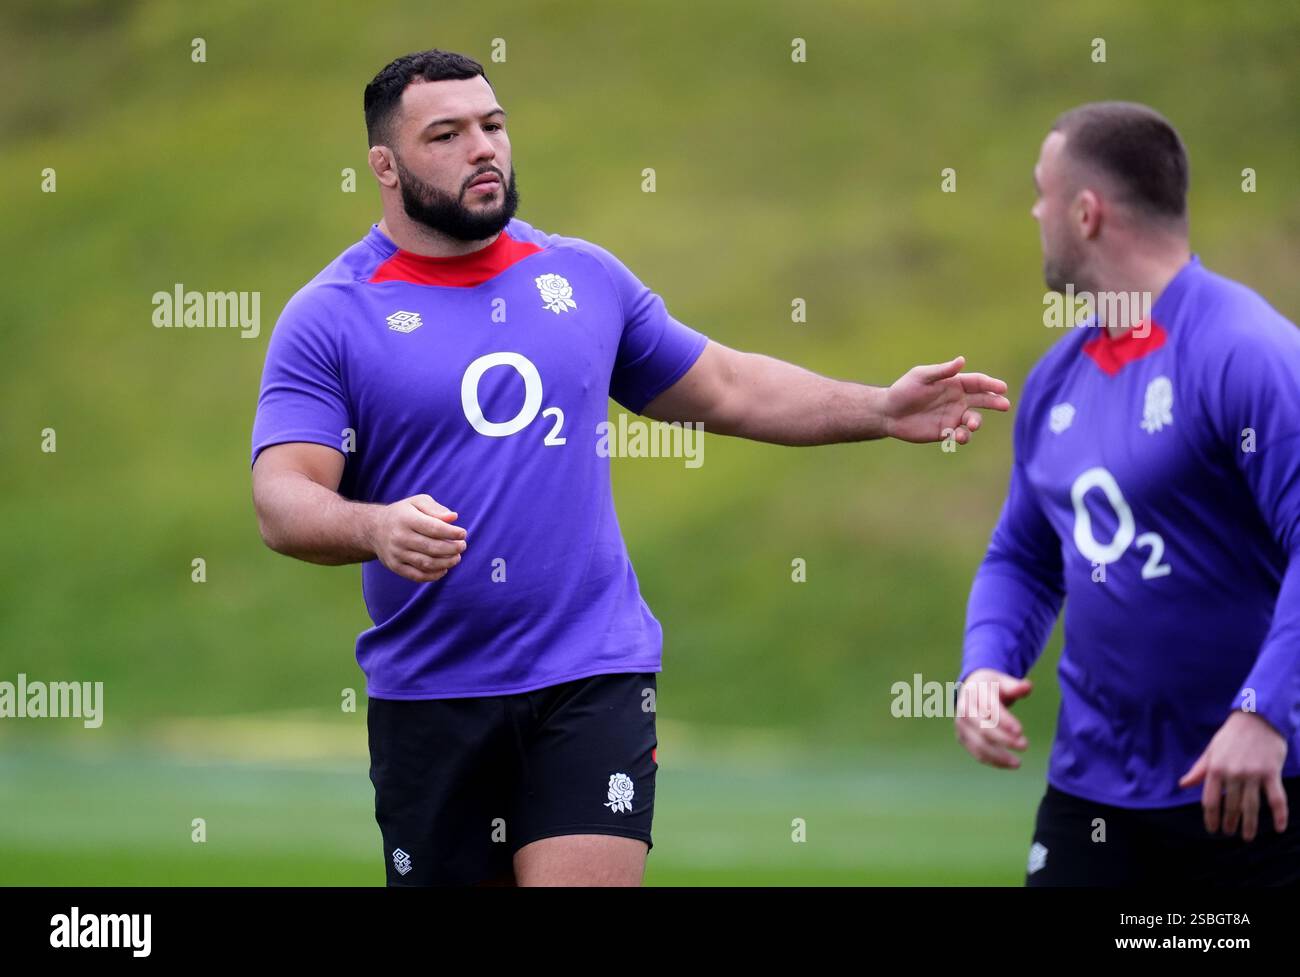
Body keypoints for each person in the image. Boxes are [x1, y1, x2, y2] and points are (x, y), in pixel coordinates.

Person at [251, 48, 1009, 886]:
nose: (484, 149)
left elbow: (728, 386)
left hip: (591, 674)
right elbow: (283, 498)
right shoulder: (331, 315)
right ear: (384, 166)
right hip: (430, 693)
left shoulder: (579, 277)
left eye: (494, 125)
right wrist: (376, 526)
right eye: (448, 133)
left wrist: (878, 407)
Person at [955, 101, 1300, 886]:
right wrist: (985, 664)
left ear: (1086, 212)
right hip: (1093, 799)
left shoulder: (1244, 352)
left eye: (1043, 193)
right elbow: (1024, 554)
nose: (1035, 212)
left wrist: (1265, 710)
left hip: (1253, 786)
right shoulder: (1056, 380)